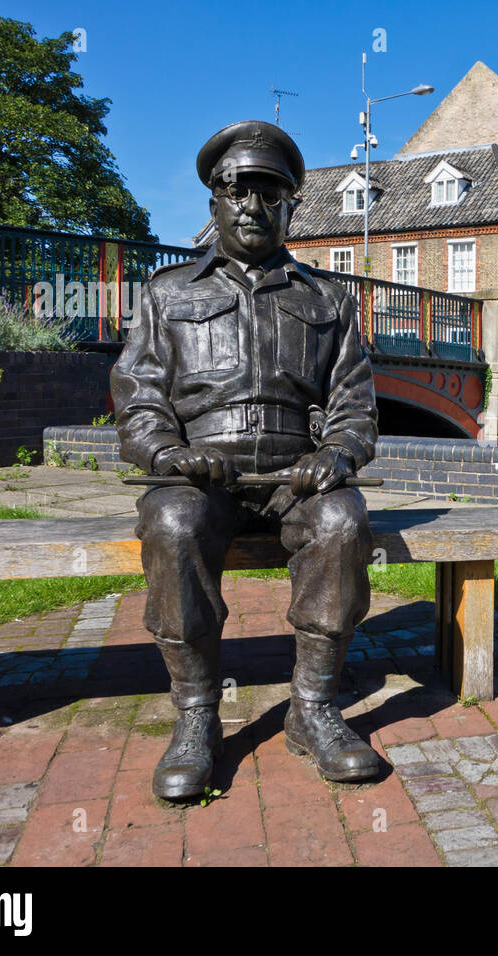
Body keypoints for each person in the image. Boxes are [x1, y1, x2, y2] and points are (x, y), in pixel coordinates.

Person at [110, 120, 379, 800]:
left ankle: (312, 709)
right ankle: (196, 718)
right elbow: (138, 400)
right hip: (201, 477)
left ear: (291, 207)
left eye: (270, 193)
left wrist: (337, 455)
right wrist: (170, 453)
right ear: (214, 205)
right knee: (173, 525)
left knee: (343, 524)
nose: (253, 207)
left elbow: (354, 407)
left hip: (296, 476)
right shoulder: (166, 293)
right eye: (238, 191)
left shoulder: (330, 299)